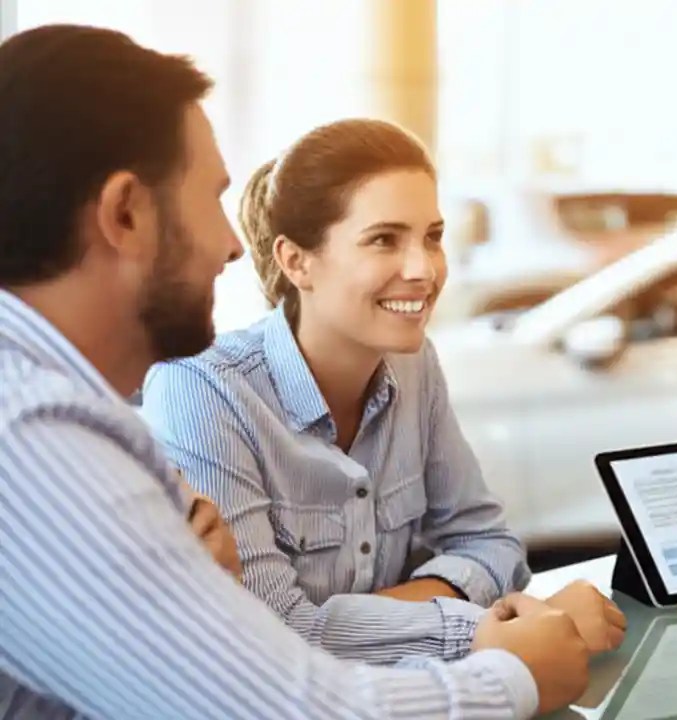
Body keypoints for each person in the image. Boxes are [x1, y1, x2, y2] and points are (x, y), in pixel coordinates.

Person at [0, 23, 593, 719]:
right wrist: (513, 672)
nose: (229, 244)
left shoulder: (63, 411)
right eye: (210, 197)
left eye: (431, 237)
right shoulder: (31, 434)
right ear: (126, 213)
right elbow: (283, 706)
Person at [139, 117, 626, 663]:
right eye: (383, 240)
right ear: (296, 261)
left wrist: (372, 618)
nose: (423, 269)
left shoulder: (414, 367)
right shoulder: (203, 389)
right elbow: (270, 632)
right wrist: (491, 626)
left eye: (433, 238)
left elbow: (492, 544)